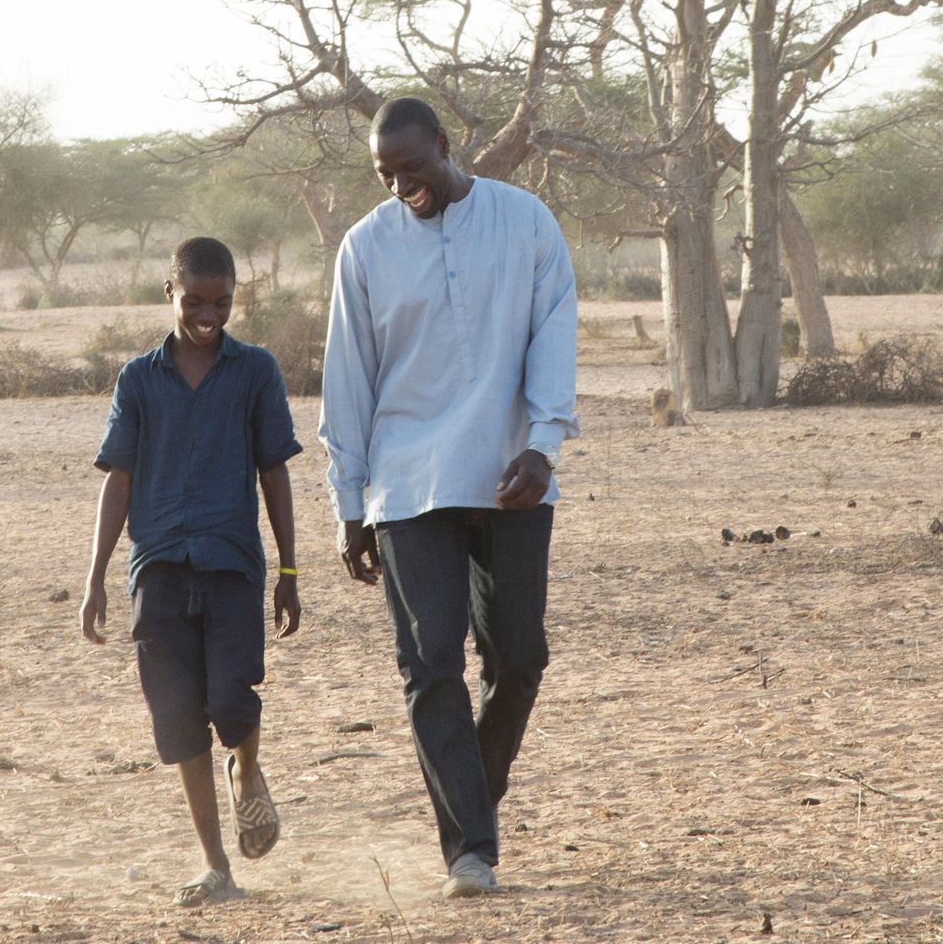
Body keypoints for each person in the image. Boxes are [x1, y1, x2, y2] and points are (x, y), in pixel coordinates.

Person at [319, 97, 578, 899]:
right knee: (430, 664)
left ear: (444, 143)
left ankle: (470, 795)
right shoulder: (365, 248)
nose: (403, 185)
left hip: (511, 478)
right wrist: (348, 501)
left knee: (521, 659)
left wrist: (542, 442)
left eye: (413, 166)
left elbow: (555, 328)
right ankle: (470, 847)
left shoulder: (525, 221)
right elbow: (348, 379)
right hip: (406, 485)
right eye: (386, 174)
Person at [81, 236, 303, 908]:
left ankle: (249, 769)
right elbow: (118, 479)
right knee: (179, 722)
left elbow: (274, 471)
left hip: (232, 564)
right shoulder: (138, 379)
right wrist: (94, 578)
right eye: (196, 300)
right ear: (169, 292)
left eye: (223, 301)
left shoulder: (256, 372)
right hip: (158, 571)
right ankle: (216, 865)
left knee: (233, 700)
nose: (210, 313)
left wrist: (289, 568)